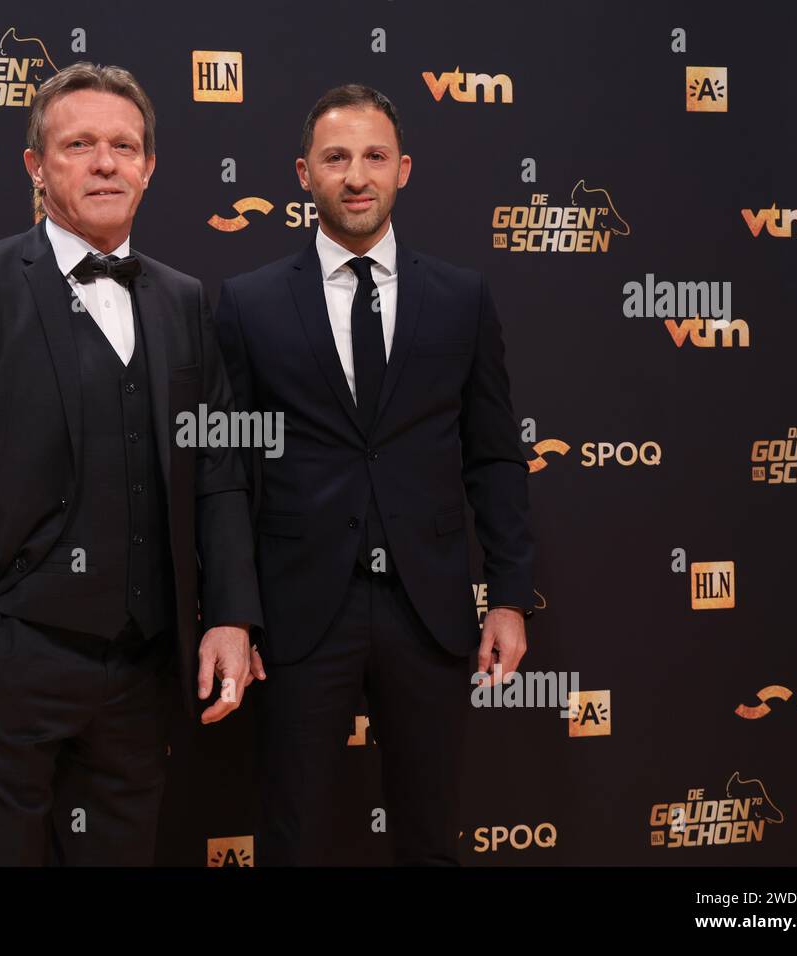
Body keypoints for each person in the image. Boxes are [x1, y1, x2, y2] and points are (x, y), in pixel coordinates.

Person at [0, 62, 262, 865]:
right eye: (79, 144)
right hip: (11, 659)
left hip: (145, 668)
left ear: (150, 166)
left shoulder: (184, 299)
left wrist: (229, 615)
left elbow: (218, 471)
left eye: (124, 145)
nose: (106, 162)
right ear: (36, 165)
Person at [214, 84, 537, 865]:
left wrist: (510, 596)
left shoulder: (461, 297)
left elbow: (494, 455)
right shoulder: (249, 303)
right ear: (303, 173)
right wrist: (232, 610)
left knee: (430, 834)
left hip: (427, 608)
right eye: (336, 158)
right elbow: (223, 467)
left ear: (404, 169)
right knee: (293, 835)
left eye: (374, 157)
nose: (356, 175)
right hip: (299, 611)